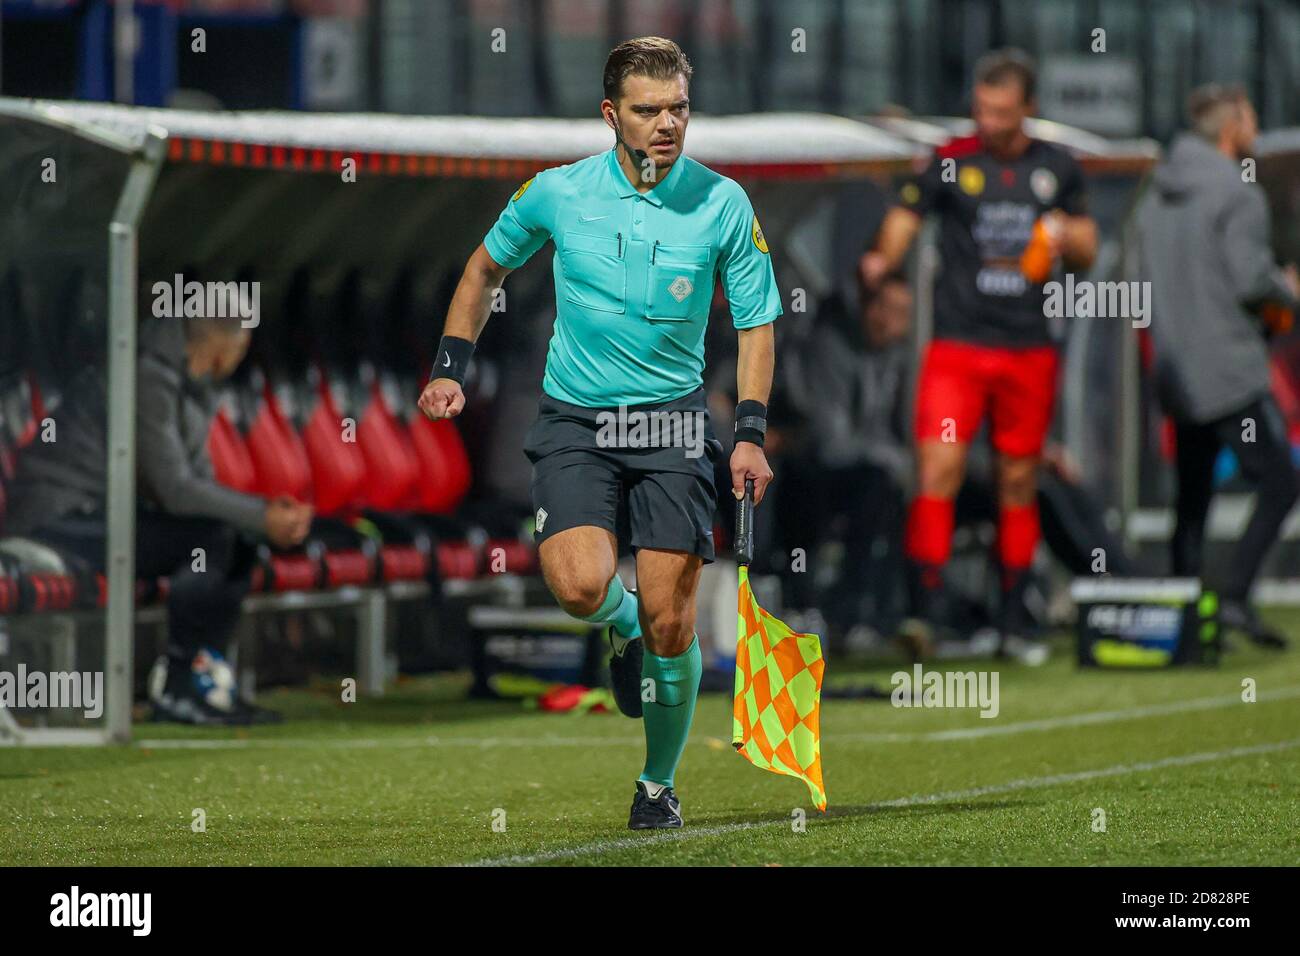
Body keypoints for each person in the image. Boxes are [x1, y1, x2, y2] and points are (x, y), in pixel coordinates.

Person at [418, 36, 780, 830]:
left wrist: (748, 434)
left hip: (674, 424)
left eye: (679, 108)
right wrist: (451, 364)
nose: (667, 125)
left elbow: (756, 325)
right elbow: (484, 270)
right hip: (577, 420)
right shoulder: (557, 193)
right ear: (610, 115)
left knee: (673, 622)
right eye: (649, 110)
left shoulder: (723, 203)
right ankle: (619, 633)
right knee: (583, 586)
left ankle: (657, 786)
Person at [860, 48, 1097, 659]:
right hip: (959, 348)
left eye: (1001, 111)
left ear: (1028, 110)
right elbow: (905, 217)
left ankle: (1015, 619)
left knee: (1018, 483)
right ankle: (926, 613)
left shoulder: (1058, 168)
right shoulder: (951, 162)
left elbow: (1089, 246)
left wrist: (1068, 237)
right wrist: (883, 260)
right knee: (938, 470)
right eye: (982, 109)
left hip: (1027, 351)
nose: (988, 121)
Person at [6, 316, 313, 723]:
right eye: (241, 349)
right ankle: (178, 688)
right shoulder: (146, 376)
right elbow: (174, 489)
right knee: (209, 540)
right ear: (223, 348)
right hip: (59, 516)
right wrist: (259, 514)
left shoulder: (190, 385)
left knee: (237, 540)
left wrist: (260, 519)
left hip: (103, 512)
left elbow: (197, 483)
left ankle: (205, 682)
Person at [1135, 83, 1300, 648]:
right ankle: (1232, 595)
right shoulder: (1238, 191)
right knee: (1281, 480)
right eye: (1251, 113)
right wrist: (1289, 289)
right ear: (1233, 127)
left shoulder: (1158, 191)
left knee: (1193, 494)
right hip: (1227, 365)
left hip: (1175, 366)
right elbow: (1251, 279)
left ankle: (1186, 617)